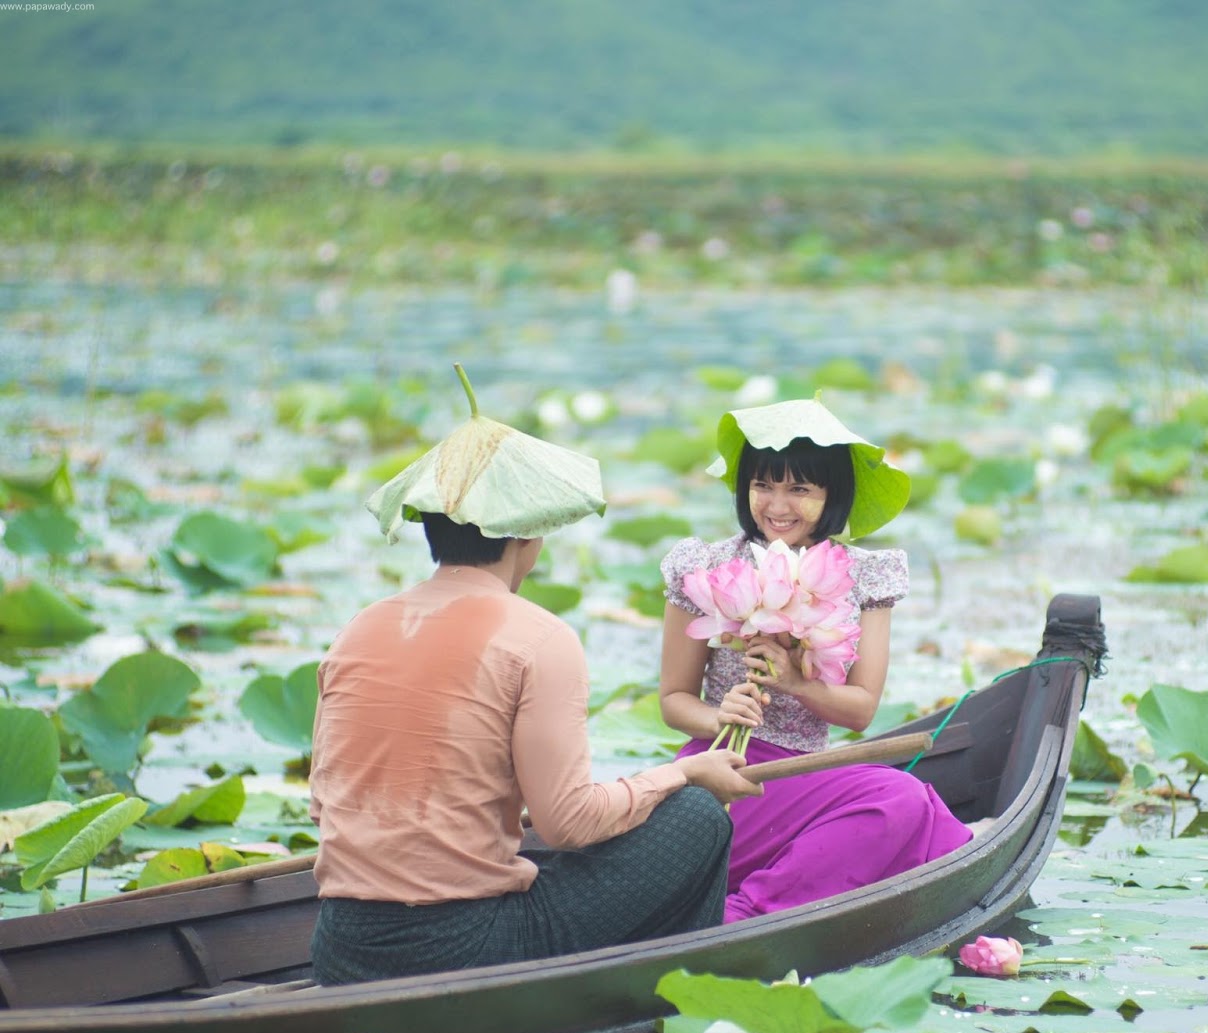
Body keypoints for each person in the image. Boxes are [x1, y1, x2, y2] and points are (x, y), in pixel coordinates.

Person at [309, 368, 760, 985]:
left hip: (340, 947)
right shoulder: (538, 638)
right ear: (525, 534)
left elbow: (323, 798)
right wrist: (681, 771)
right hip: (462, 947)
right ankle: (662, 1000)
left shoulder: (358, 628)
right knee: (697, 818)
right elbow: (567, 825)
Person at [659, 397, 972, 923]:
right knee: (902, 800)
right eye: (763, 485)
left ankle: (747, 912)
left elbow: (860, 711)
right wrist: (722, 717)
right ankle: (756, 910)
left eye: (799, 489)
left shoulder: (864, 576)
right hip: (717, 768)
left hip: (805, 770)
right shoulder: (706, 566)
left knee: (903, 800)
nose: (777, 505)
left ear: (832, 496)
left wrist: (793, 682)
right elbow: (673, 700)